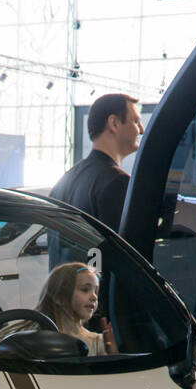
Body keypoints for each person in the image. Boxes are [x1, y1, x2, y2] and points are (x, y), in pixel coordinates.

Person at [49, 92, 143, 233]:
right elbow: (120, 252)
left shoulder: (63, 182)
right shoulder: (117, 182)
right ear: (114, 123)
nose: (141, 130)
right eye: (135, 121)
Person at [34, 262, 116, 355]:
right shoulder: (36, 339)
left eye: (96, 291)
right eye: (85, 289)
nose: (94, 297)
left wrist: (113, 353)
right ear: (59, 297)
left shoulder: (98, 342)